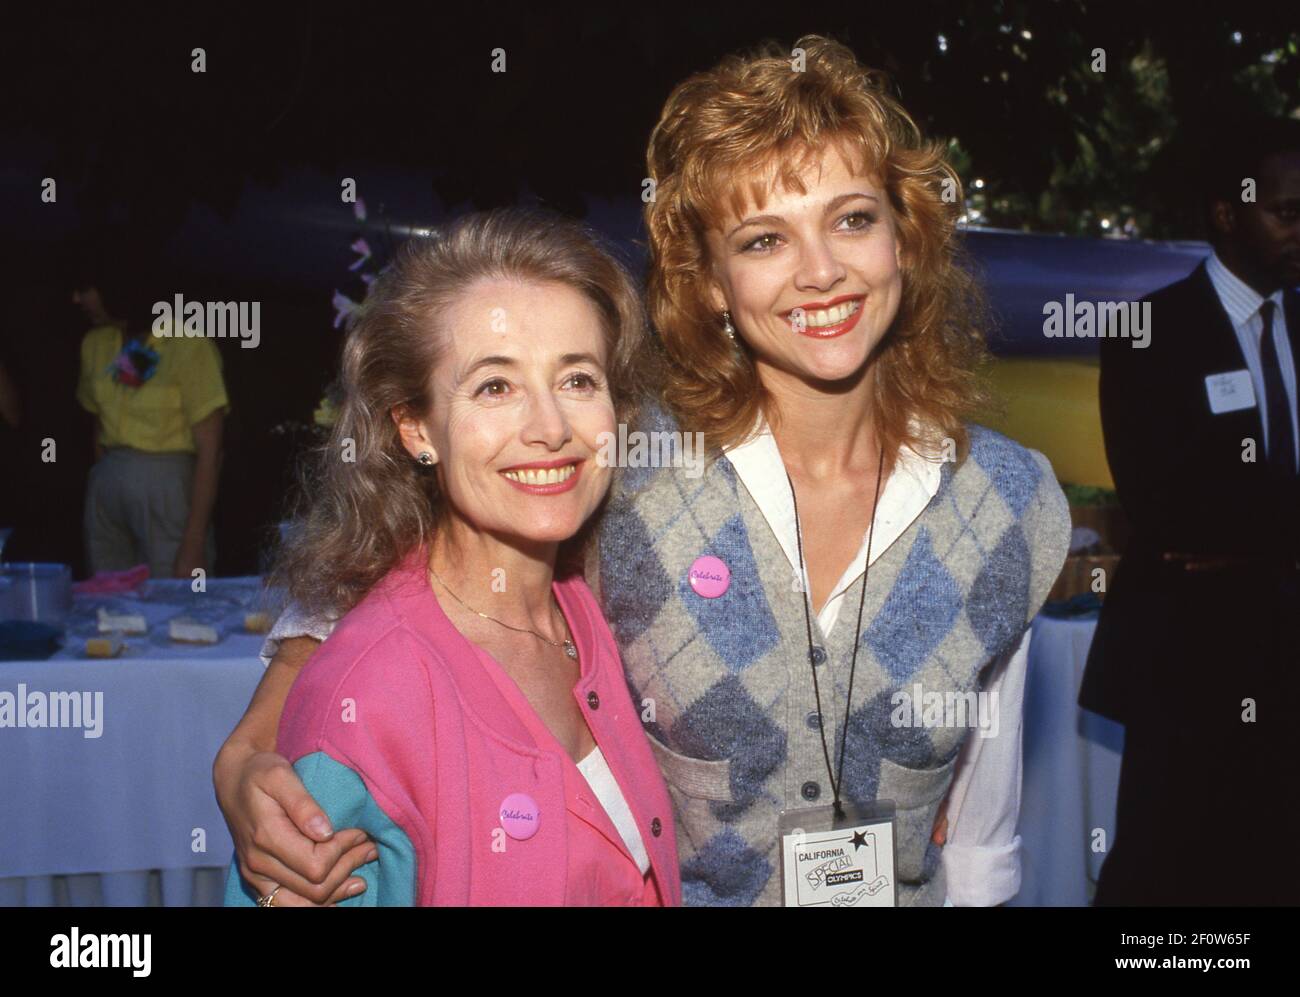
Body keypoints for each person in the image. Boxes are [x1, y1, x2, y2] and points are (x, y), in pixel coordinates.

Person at [215, 35, 1070, 907]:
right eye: (765, 239)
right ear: (708, 283)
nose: (821, 271)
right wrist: (246, 756)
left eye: (853, 219)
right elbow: (402, 578)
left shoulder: (1010, 502)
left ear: (906, 237)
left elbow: (980, 837)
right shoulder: (627, 467)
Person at [224, 208, 681, 906]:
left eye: (578, 379)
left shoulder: (587, 610)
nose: (551, 427)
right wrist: (240, 761)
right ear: (415, 427)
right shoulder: (367, 701)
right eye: (495, 386)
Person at [1079, 117, 1300, 905]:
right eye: (1286, 211)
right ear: (1225, 212)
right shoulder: (1147, 334)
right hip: (1191, 661)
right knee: (1169, 871)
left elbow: (1230, 508)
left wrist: (1256, 542)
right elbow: (1170, 506)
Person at [75, 272, 227, 578]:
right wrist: (106, 485)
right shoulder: (96, 343)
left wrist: (193, 544)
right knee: (110, 603)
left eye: (85, 289)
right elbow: (97, 428)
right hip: (107, 493)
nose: (76, 300)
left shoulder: (188, 344)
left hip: (168, 495)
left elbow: (212, 449)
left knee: (171, 604)